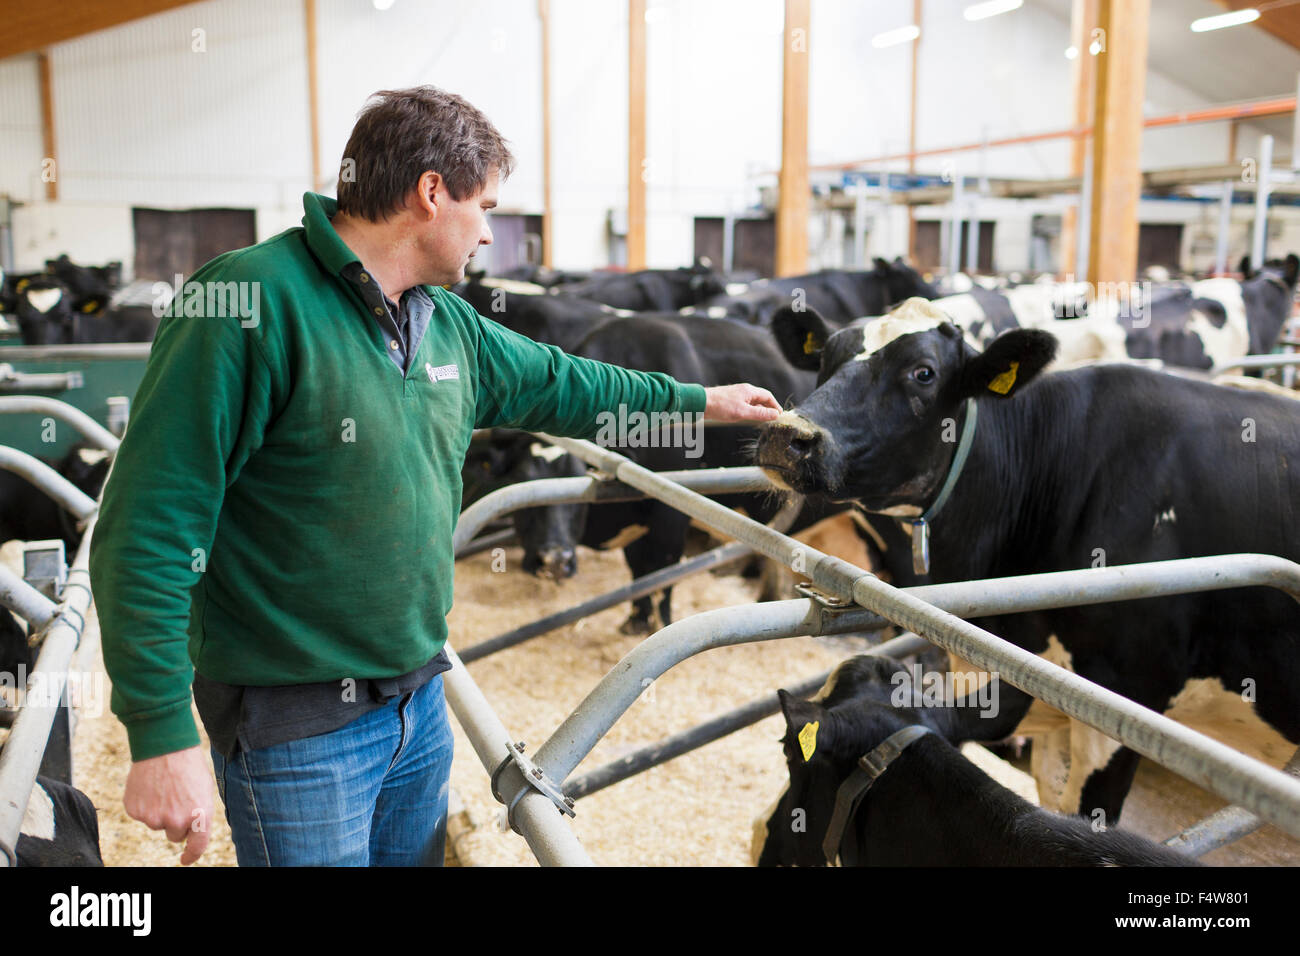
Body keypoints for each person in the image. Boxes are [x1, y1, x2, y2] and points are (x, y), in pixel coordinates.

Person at [88, 86, 780, 866]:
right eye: (483, 205)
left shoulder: (446, 321)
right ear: (430, 193)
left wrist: (699, 402)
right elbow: (148, 524)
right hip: (295, 726)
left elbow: (568, 385)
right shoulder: (244, 304)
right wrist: (158, 731)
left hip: (419, 705)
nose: (488, 232)